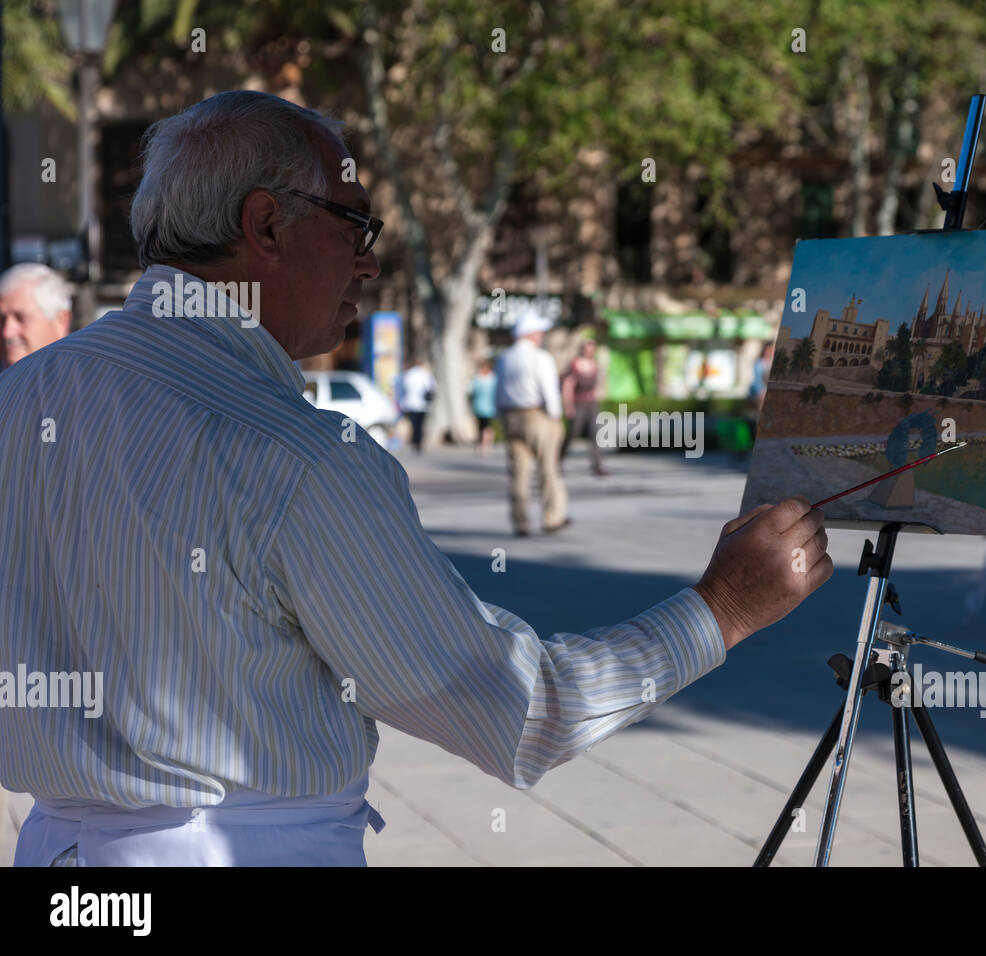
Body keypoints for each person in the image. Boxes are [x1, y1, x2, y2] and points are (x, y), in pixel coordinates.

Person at [0, 90, 834, 867]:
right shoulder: (298, 455)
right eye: (355, 228)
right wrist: (721, 609)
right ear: (265, 226)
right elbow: (517, 710)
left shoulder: (18, 399)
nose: (369, 264)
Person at [495, 309, 570, 535]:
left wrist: (502, 419)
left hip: (511, 416)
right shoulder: (540, 357)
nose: (542, 335)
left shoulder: (504, 358)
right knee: (548, 468)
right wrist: (556, 418)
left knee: (518, 473)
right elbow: (549, 391)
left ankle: (520, 522)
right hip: (537, 415)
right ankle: (552, 517)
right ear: (531, 334)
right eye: (539, 331)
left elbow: (497, 393)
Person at [0, 263, 73, 372]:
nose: (6, 332)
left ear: (61, 321)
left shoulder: (88, 383)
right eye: (1, 320)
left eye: (21, 318)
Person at [560, 338, 608, 476]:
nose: (590, 351)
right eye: (588, 348)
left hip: (591, 404)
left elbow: (600, 384)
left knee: (595, 435)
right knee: (572, 434)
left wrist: (600, 394)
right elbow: (568, 386)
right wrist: (568, 406)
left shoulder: (595, 365)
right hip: (578, 403)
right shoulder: (575, 365)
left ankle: (597, 466)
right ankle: (559, 460)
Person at [398, 357, 436, 453]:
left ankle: (414, 441)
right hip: (422, 404)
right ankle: (418, 442)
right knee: (420, 424)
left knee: (414, 424)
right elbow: (431, 387)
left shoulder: (408, 374)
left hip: (410, 403)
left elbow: (404, 388)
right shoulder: (425, 374)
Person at [470, 357, 497, 456]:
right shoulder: (477, 378)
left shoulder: (493, 379)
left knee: (487, 426)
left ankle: (486, 445)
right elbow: (472, 390)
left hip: (490, 407)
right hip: (479, 406)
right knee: (480, 426)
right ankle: (481, 443)